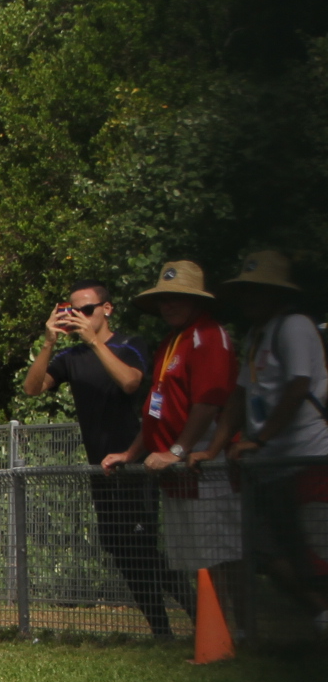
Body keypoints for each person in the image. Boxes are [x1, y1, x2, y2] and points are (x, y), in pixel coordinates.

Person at [22, 277, 178, 635]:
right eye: (72, 310)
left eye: (87, 309)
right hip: (102, 468)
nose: (79, 316)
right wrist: (49, 341)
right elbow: (32, 388)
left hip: (137, 462)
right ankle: (162, 630)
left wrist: (94, 342)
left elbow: (130, 382)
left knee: (142, 548)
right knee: (120, 548)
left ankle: (197, 618)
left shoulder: (129, 344)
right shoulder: (70, 357)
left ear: (106, 309)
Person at [106, 262, 238, 631]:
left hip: (203, 467)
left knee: (220, 556)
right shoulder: (170, 342)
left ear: (195, 299)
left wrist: (178, 450)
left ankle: (235, 634)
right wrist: (132, 453)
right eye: (164, 298)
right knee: (199, 557)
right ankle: (215, 633)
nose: (169, 305)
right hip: (177, 473)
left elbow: (209, 401)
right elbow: (156, 410)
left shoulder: (208, 336)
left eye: (177, 297)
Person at [219, 249, 328, 633]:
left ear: (278, 294)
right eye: (246, 291)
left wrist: (259, 440)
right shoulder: (256, 335)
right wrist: (217, 445)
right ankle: (320, 616)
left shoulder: (295, 326)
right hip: (272, 465)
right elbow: (238, 394)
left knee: (316, 554)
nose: (249, 299)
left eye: (259, 291)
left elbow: (299, 387)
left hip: (307, 459)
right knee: (267, 551)